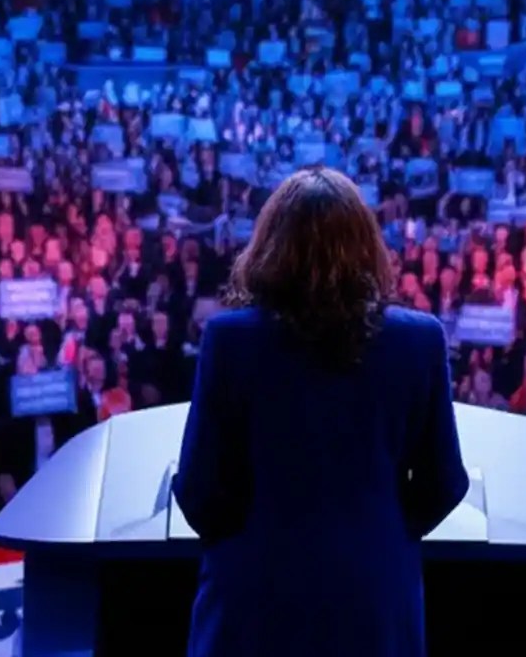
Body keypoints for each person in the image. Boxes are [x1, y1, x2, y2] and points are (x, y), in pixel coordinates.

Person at [173, 168, 469, 657]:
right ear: (367, 244)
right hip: (373, 599)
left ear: (269, 244)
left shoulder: (230, 340)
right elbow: (445, 483)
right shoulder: (419, 340)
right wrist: (382, 527)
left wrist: (257, 532)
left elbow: (199, 491)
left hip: (255, 597)